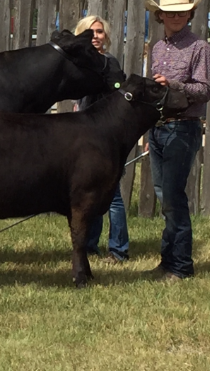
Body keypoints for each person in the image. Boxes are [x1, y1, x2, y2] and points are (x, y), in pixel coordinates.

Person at [143, 0, 210, 280]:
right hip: (158, 129)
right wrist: (148, 132)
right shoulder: (157, 49)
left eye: (182, 12)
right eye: (170, 12)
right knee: (164, 196)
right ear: (160, 15)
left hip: (183, 127)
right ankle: (168, 261)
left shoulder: (201, 48)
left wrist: (173, 84)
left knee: (173, 197)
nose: (176, 16)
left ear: (190, 14)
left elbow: (204, 91)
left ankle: (181, 265)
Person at [73, 15, 130, 263]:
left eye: (99, 32)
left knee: (112, 195)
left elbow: (117, 92)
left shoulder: (109, 63)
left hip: (105, 135)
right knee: (90, 193)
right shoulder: (78, 63)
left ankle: (118, 249)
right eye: (90, 32)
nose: (95, 37)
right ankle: (90, 245)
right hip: (83, 133)